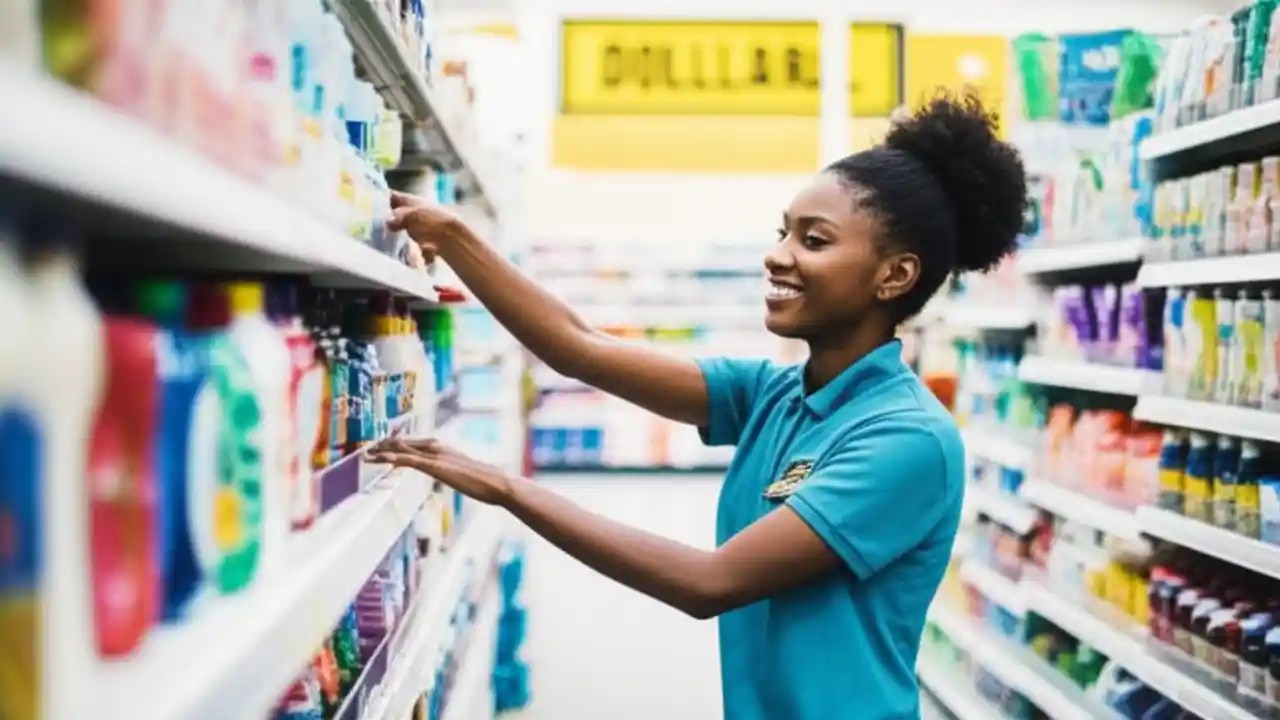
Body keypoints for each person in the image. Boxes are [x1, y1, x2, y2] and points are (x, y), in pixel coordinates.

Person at [369, 91, 1027, 719]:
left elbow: (707, 583)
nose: (778, 256)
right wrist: (454, 237)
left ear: (895, 275)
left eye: (814, 241)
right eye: (783, 233)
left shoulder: (906, 439)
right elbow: (578, 348)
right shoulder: (775, 394)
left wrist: (507, 490)